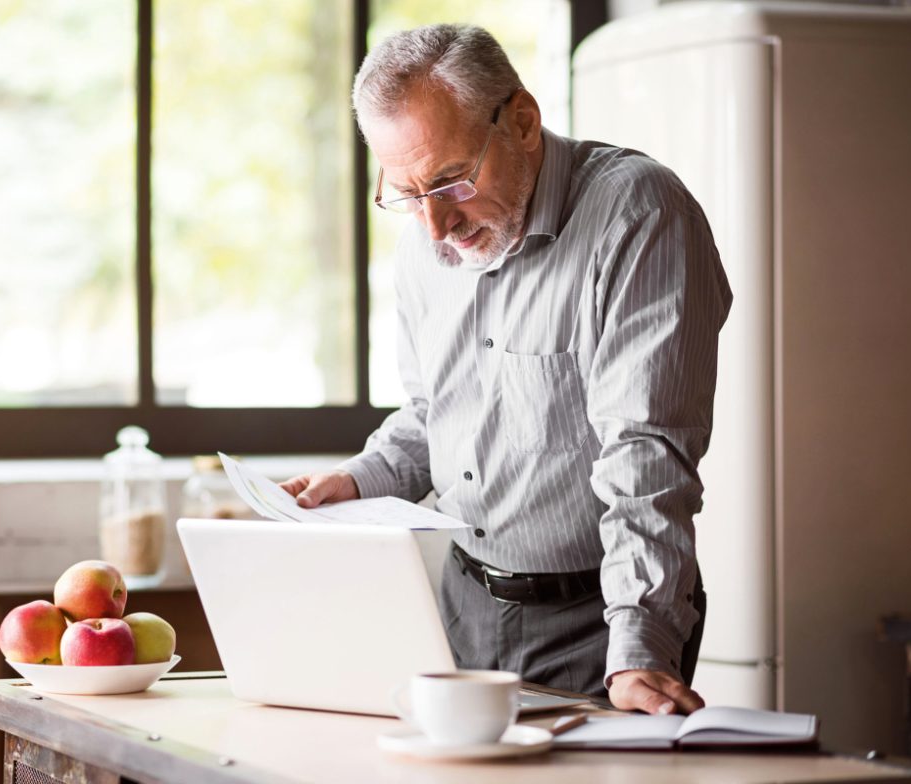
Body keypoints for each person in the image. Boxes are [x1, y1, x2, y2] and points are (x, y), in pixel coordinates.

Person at [280, 23, 732, 716]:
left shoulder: (639, 214)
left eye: (450, 180)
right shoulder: (424, 247)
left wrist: (641, 647)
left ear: (521, 122)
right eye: (405, 193)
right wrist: (357, 479)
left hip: (597, 617)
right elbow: (439, 411)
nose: (434, 227)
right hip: (462, 609)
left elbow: (646, 452)